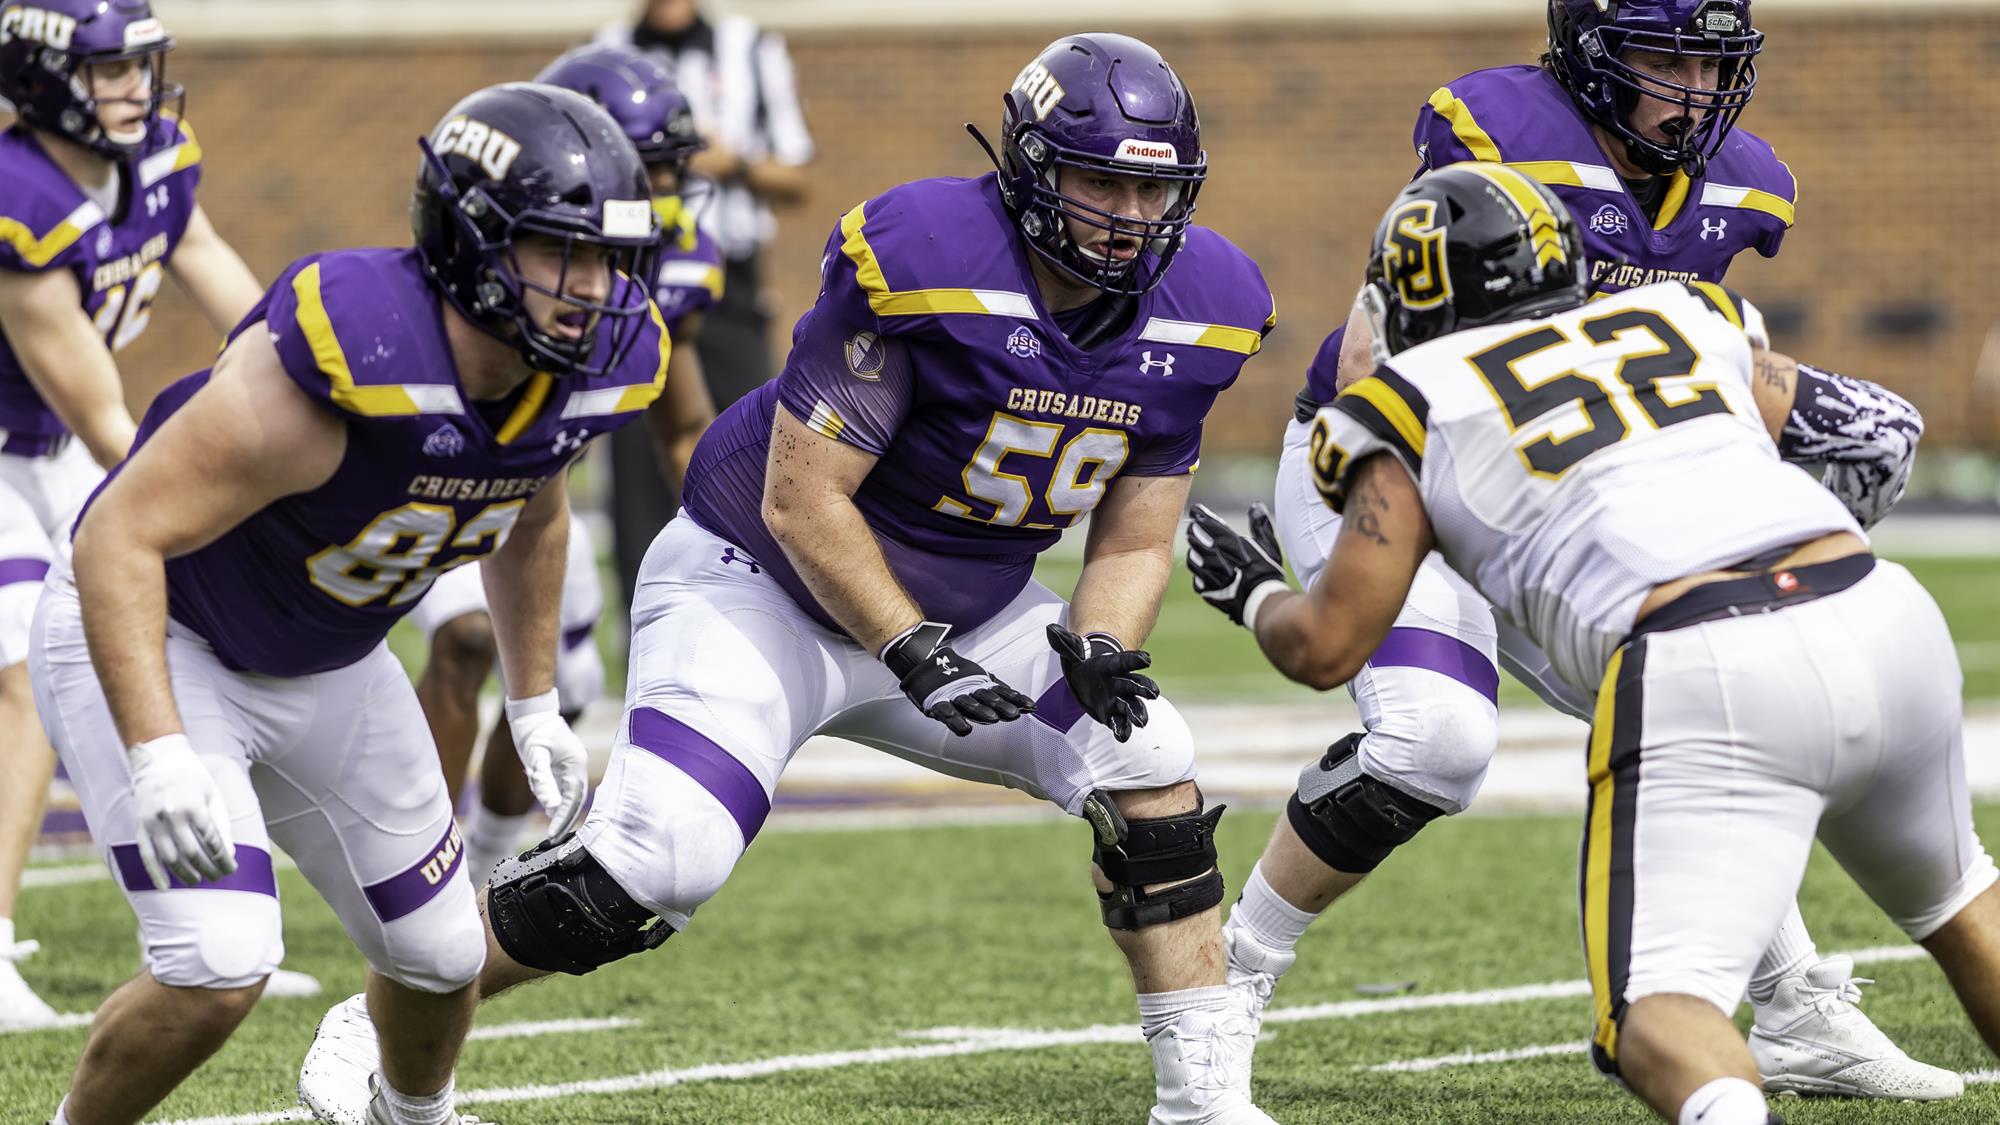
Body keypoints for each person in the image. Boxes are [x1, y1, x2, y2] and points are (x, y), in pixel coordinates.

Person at [302, 33, 1282, 1124]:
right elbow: (801, 500)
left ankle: (1201, 1101)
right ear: (1028, 168)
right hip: (758, 587)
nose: (1130, 213)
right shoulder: (923, 254)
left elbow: (1136, 540)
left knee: (1148, 761)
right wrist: (909, 646)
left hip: (970, 611)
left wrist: (1098, 641)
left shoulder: (1207, 306)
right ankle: (378, 1016)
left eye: (1152, 186)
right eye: (1102, 179)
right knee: (656, 863)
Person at [1221, 0, 1951, 1101]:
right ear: (1587, 53)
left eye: (1709, 64)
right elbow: (1382, 338)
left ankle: (1797, 1009)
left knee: (1705, 711)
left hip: (1568, 488)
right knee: (1435, 743)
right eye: (1662, 60)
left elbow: (1705, 344)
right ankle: (1227, 979)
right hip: (1400, 463)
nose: (1690, 92)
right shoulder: (1494, 124)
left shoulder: (1744, 185)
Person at [31, 82, 670, 1125]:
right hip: (174, 635)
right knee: (216, 963)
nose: (593, 287)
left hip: (331, 657)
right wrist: (156, 750)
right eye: (563, 251)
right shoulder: (349, 361)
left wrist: (532, 701)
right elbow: (117, 537)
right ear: (471, 244)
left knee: (441, 952)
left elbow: (536, 513)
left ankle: (409, 1117)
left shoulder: (582, 370)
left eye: (610, 257)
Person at [0, 0, 320, 1029]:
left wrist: (338, 395)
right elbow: (100, 415)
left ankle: (219, 913)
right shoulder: (18, 195)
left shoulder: (158, 161)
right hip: (20, 450)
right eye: (108, 69)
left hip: (41, 455)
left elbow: (253, 315)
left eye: (142, 64)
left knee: (190, 648)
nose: (137, 87)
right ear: (47, 79)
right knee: (18, 686)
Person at [407, 45, 719, 892]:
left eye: (664, 170)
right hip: (450, 476)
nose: (657, 194)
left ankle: (488, 857)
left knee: (556, 691)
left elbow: (685, 425)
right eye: (644, 167)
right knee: (470, 636)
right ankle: (418, 867)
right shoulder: (495, 255)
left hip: (547, 497)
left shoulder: (675, 261)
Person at [593, 0, 815, 607]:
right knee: (636, 466)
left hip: (726, 277)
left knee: (755, 445)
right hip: (625, 273)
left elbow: (798, 177)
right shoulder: (604, 48)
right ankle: (641, 615)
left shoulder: (751, 46)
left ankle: (765, 602)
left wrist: (732, 163)